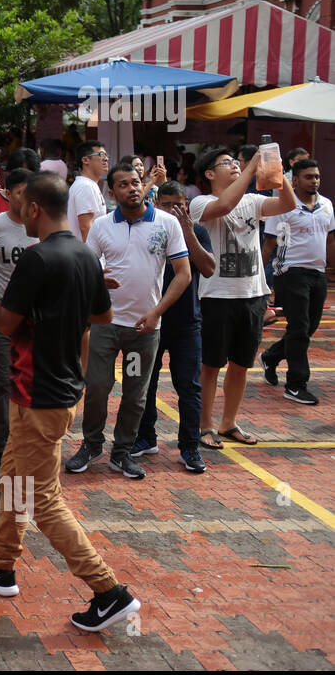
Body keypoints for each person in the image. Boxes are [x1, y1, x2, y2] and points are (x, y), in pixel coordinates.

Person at [0, 173, 141, 633]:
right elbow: (102, 316)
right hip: (49, 391)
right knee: (13, 477)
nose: (14, 209)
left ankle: (108, 591)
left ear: (36, 209)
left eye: (20, 203)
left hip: (39, 394)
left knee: (43, 499)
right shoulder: (84, 253)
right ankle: (0, 566)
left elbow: (2, 322)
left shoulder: (39, 259)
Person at [65, 164, 190, 480]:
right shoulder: (102, 226)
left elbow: (184, 275)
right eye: (123, 184)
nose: (132, 188)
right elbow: (87, 268)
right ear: (112, 193)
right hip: (106, 324)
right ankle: (92, 445)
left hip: (143, 329)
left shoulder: (167, 224)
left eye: (135, 182)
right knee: (96, 386)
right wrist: (97, 281)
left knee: (135, 393)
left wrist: (156, 312)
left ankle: (121, 453)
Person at [192, 146, 296, 445]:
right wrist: (251, 168)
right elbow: (224, 206)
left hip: (253, 294)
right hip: (217, 296)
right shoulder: (201, 202)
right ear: (210, 174)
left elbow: (287, 203)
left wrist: (275, 168)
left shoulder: (253, 201)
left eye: (236, 163)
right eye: (227, 163)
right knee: (211, 365)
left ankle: (229, 423)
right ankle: (206, 425)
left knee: (241, 364)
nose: (236, 166)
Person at [133, 182, 216, 473]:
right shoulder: (149, 230)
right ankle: (145, 437)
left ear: (187, 205)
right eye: (165, 204)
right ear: (156, 203)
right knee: (144, 384)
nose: (172, 210)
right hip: (150, 321)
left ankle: (190, 447)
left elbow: (207, 268)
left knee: (189, 388)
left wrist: (188, 231)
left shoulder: (198, 231)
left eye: (178, 204)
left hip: (187, 323)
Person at [260, 158, 333, 405]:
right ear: (295, 181)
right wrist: (260, 278)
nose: (314, 181)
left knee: (307, 328)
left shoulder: (326, 205)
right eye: (308, 177)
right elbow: (270, 244)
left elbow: (330, 240)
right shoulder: (283, 207)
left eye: (317, 177)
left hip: (318, 274)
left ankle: (271, 356)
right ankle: (296, 384)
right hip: (290, 273)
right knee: (299, 327)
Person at [0, 168, 37, 463]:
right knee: (1, 381)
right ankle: (0, 441)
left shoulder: (42, 226)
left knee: (31, 379)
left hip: (36, 316)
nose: (27, 200)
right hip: (3, 311)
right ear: (8, 193)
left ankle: (27, 438)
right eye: (21, 194)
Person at [66, 140, 109, 242]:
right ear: (85, 160)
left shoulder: (88, 185)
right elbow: (86, 228)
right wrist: (93, 256)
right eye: (101, 155)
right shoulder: (85, 186)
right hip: (85, 254)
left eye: (106, 155)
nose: (106, 159)